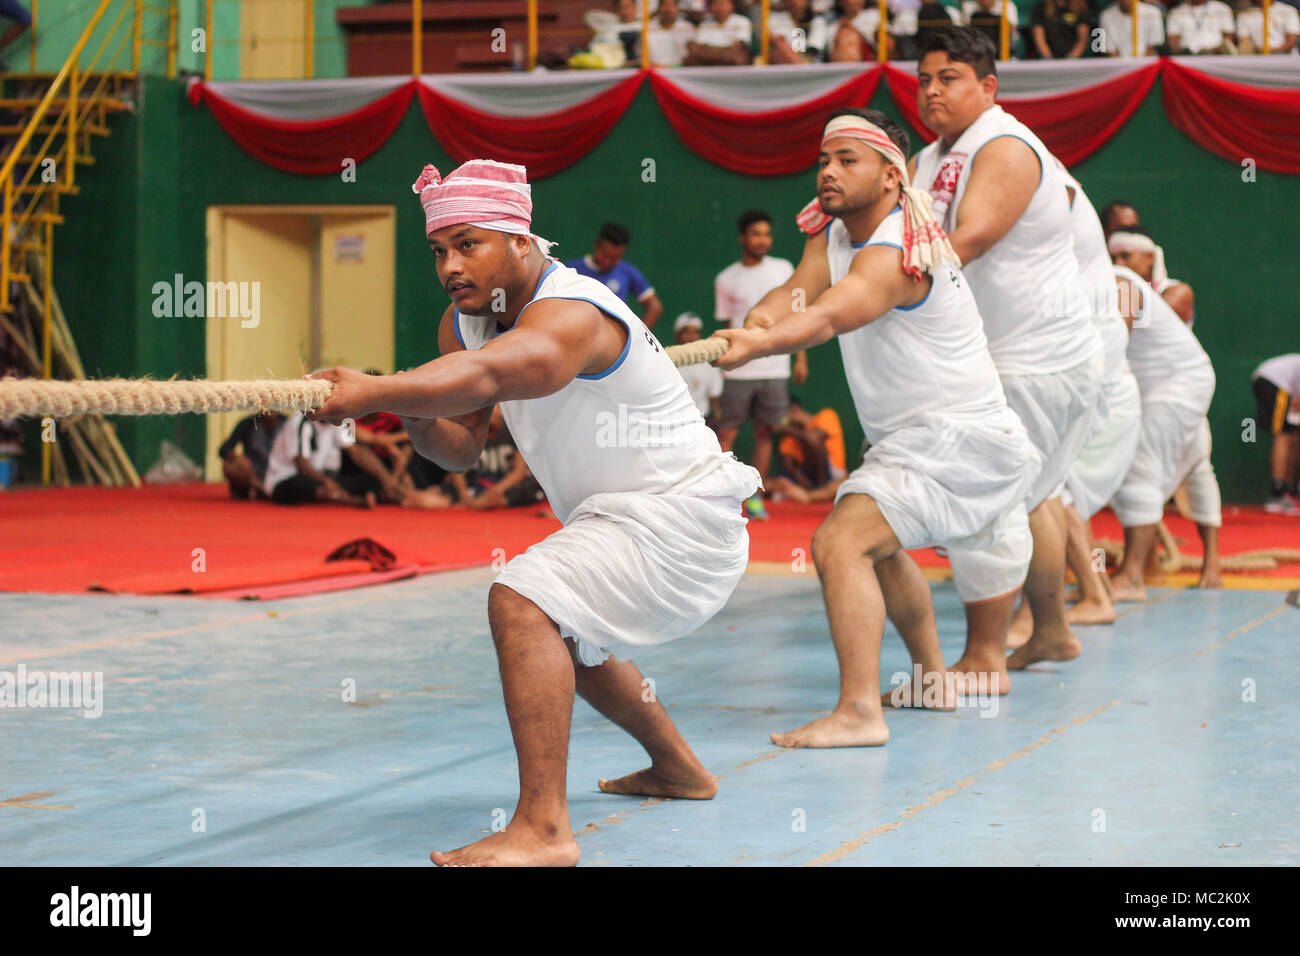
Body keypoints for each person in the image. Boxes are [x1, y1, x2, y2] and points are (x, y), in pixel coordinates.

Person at [307, 158, 760, 866]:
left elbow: (499, 372)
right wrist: (411, 406)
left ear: (521, 240)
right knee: (570, 637)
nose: (450, 266)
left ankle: (545, 829)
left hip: (683, 523)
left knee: (523, 601)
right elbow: (462, 448)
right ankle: (679, 769)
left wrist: (378, 388)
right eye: (438, 250)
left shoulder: (574, 310)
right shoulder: (465, 324)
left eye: (468, 244)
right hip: (621, 522)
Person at [716, 108, 1035, 746]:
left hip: (958, 444)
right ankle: (933, 678)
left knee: (841, 543)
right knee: (877, 547)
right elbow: (802, 293)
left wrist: (762, 346)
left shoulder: (897, 252)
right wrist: (759, 320)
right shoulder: (831, 233)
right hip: (916, 442)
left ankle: (859, 713)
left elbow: (832, 314)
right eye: (823, 160)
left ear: (892, 175)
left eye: (847, 161)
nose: (828, 171)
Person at [912, 27, 1104, 672]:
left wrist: (869, 294)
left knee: (989, 494)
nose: (933, 90)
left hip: (1038, 359)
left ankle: (984, 657)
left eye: (949, 78)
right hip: (1006, 359)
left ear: (987, 86)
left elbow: (970, 240)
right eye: (924, 79)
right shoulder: (933, 157)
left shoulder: (1006, 144)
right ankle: (1051, 631)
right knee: (1032, 495)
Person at [1109, 244, 1223, 596]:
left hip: (1177, 386)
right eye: (1116, 254)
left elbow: (1116, 340)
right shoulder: (1100, 283)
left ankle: (1132, 578)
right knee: (1188, 466)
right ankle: (1148, 568)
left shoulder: (1123, 283)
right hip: (1162, 388)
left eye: (1128, 254)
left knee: (1141, 468)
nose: (1120, 260)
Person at [1057, 169, 1142, 629]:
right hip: (1106, 397)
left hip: (1110, 401)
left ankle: (1093, 593)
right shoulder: (1083, 273)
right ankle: (1091, 588)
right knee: (1057, 495)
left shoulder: (1115, 281)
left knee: (1056, 493)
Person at [714, 209, 805, 507]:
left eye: (766, 234)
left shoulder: (783, 269)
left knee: (766, 432)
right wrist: (724, 368)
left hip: (776, 367)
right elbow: (727, 327)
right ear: (743, 238)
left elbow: (797, 315)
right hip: (739, 370)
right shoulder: (726, 278)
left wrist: (800, 358)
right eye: (755, 234)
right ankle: (723, 498)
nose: (762, 240)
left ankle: (754, 499)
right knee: (726, 433)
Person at [263, 411, 376, 508]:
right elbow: (301, 465)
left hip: (319, 477)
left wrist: (385, 479)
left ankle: (335, 494)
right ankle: (351, 500)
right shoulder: (300, 422)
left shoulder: (336, 421)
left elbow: (355, 452)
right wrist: (326, 481)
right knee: (303, 483)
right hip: (286, 479)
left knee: (366, 480)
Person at [566, 222, 664, 329]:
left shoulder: (627, 271)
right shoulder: (571, 270)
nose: (607, 262)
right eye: (604, 255)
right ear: (597, 245)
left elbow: (654, 307)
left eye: (614, 258)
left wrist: (638, 335)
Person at [446, 406, 545, 510]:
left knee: (531, 486)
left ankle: (486, 502)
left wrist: (496, 491)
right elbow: (457, 469)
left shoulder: (513, 431)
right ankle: (477, 502)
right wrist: (464, 494)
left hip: (504, 484)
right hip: (478, 482)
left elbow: (519, 472)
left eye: (493, 408)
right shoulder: (470, 430)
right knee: (443, 491)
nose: (491, 414)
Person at [771, 397, 848, 502]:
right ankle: (811, 493)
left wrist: (786, 428)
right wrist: (803, 482)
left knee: (813, 439)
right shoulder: (790, 435)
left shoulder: (826, 415)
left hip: (832, 474)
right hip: (807, 478)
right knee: (779, 486)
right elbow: (789, 464)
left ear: (794, 411)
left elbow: (812, 439)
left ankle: (821, 491)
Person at [1250, 353, 1300, 514]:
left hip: (1270, 380)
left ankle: (1288, 492)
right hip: (1274, 381)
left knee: (1292, 434)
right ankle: (1278, 493)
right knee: (1283, 433)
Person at [218, 411, 284, 499]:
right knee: (235, 465)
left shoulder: (287, 423)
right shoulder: (248, 423)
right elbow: (224, 449)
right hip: (254, 475)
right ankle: (261, 489)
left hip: (281, 473)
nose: (271, 409)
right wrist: (237, 459)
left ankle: (266, 491)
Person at [673, 312, 725, 423]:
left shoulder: (710, 364)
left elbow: (714, 396)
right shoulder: (668, 363)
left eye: (695, 332)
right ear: (677, 335)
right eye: (686, 332)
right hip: (674, 420)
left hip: (703, 419)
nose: (691, 337)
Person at [685, 0, 755, 64]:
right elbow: (695, 50)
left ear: (732, 5)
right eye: (716, 3)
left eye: (723, 3)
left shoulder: (742, 22)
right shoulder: (705, 25)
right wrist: (725, 53)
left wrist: (708, 52)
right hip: (710, 71)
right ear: (710, 7)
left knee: (740, 58)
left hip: (731, 71)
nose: (720, 7)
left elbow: (736, 50)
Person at [1099, 0, 1166, 56]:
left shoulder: (1153, 13)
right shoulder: (1106, 16)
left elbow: (1152, 46)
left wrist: (1139, 67)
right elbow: (1111, 50)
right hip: (1119, 67)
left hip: (1148, 66)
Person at [1166, 0, 1234, 54]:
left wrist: (1216, 50)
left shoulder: (1222, 8)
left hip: (1216, 55)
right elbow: (1173, 40)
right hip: (1187, 55)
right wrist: (1181, 52)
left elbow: (1228, 38)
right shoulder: (1176, 12)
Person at [648, 0, 699, 65]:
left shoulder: (687, 28)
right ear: (658, 8)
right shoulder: (648, 28)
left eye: (672, 5)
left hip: (681, 71)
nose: (668, 9)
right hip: (653, 71)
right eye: (664, 4)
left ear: (678, 8)